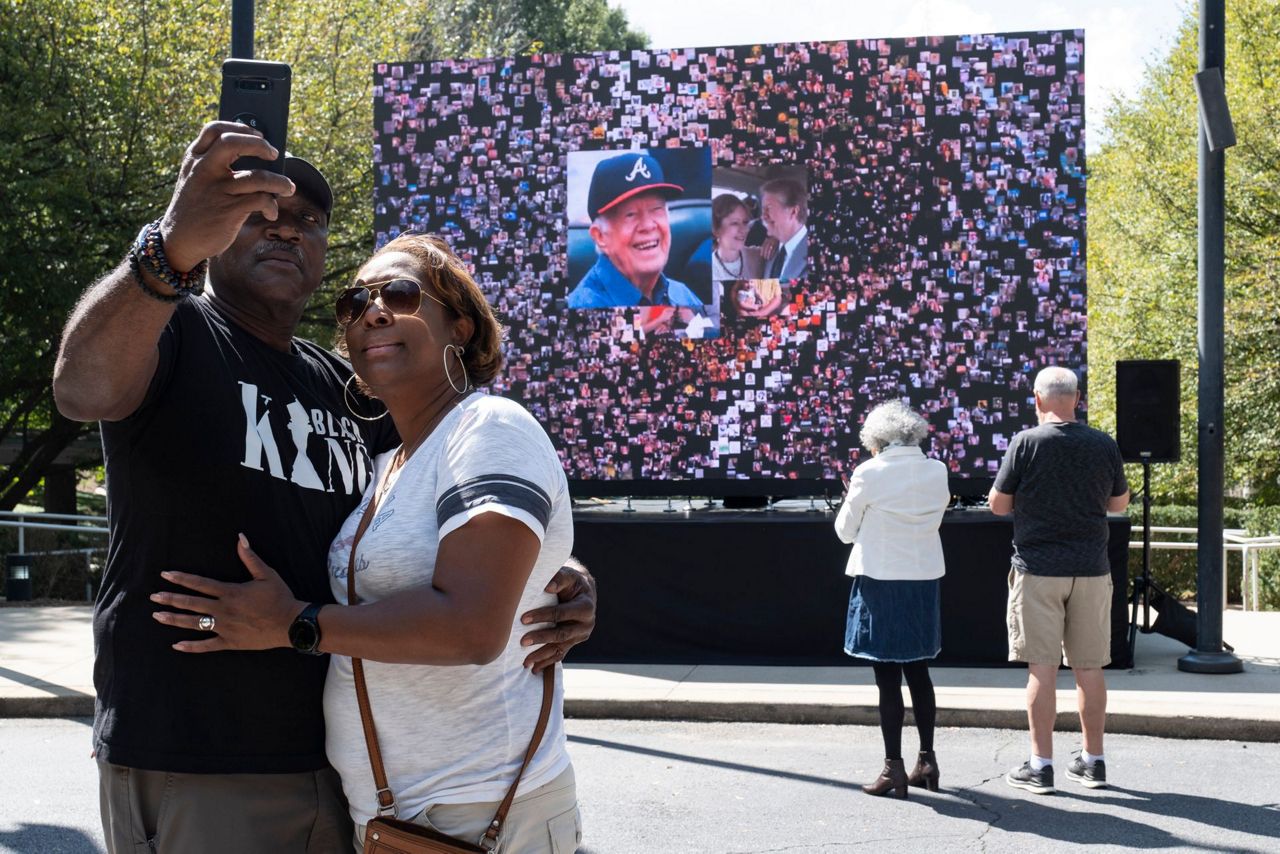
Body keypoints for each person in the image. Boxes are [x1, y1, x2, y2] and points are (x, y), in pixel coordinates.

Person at [52, 122, 596, 853]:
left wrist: (551, 575)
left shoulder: (354, 398)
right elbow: (81, 387)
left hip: (327, 772)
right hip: (186, 749)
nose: (286, 230)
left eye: (307, 221)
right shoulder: (170, 331)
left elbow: (442, 528)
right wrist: (169, 245)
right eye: (258, 214)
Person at [154, 232, 582, 852]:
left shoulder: (490, 426)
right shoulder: (390, 465)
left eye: (401, 294)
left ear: (459, 327)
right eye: (355, 304)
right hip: (394, 820)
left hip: (481, 814)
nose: (374, 311)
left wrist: (296, 624)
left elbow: (470, 628)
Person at [989, 366, 1130, 795]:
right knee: (1090, 669)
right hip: (1091, 568)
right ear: (1077, 398)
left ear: (1037, 398)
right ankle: (1094, 761)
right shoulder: (1104, 443)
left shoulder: (1026, 443)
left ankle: (1041, 766)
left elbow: (998, 506)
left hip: (1038, 570)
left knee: (1042, 670)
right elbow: (1119, 505)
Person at [835, 401, 950, 799]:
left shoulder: (869, 472)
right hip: (922, 579)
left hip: (882, 580)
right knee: (919, 672)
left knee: (887, 678)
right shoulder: (938, 470)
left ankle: (893, 769)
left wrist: (855, 502)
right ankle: (928, 760)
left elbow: (845, 532)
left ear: (877, 440)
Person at [566, 152, 704, 309]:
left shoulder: (682, 294)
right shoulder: (583, 307)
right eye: (630, 214)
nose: (648, 225)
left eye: (656, 209)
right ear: (600, 236)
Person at [759, 177, 809, 281]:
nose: (763, 216)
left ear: (793, 211)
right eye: (763, 209)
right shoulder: (771, 250)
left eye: (769, 208)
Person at [710, 193, 764, 282]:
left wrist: (775, 240)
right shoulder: (707, 268)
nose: (744, 230)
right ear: (716, 230)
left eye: (745, 222)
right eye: (735, 223)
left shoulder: (758, 255)